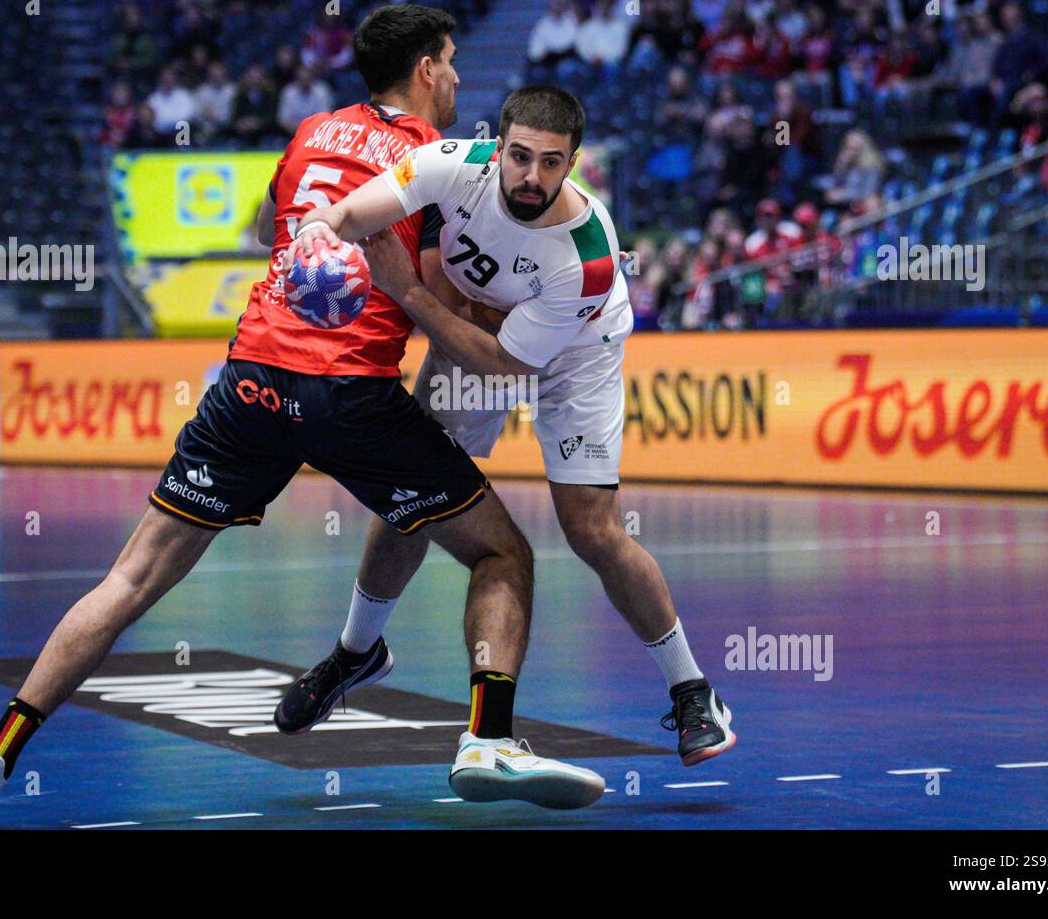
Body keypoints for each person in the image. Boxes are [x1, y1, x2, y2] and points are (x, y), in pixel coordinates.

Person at [0, 5, 605, 824]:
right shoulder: (435, 166)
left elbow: (264, 230)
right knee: (501, 552)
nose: (460, 78)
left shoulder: (313, 129)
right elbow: (446, 299)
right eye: (453, 63)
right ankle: (486, 738)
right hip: (348, 392)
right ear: (427, 69)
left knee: (131, 578)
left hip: (251, 379)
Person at [282, 85, 737, 768]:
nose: (532, 176)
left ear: (574, 162)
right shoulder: (451, 164)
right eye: (520, 156)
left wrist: (407, 292)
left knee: (592, 529)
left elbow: (504, 363)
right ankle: (356, 652)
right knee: (415, 496)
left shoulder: (585, 254)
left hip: (572, 353)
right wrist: (321, 224)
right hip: (477, 328)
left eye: (551, 163)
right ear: (497, 145)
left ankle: (694, 690)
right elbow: (355, 209)